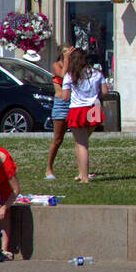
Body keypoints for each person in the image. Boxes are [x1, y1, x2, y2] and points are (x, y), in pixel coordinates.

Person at [63, 47, 110, 184]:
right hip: (93, 108)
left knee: (82, 144)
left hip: (78, 110)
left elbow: (65, 97)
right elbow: (105, 92)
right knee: (80, 142)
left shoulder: (70, 75)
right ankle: (81, 172)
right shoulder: (96, 73)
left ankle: (84, 177)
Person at [45, 45, 75, 180]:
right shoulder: (56, 65)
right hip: (61, 104)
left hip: (74, 102)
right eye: (67, 51)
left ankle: (83, 170)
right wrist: (67, 58)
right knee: (57, 139)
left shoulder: (73, 65)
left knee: (80, 139)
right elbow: (63, 74)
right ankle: (49, 169)